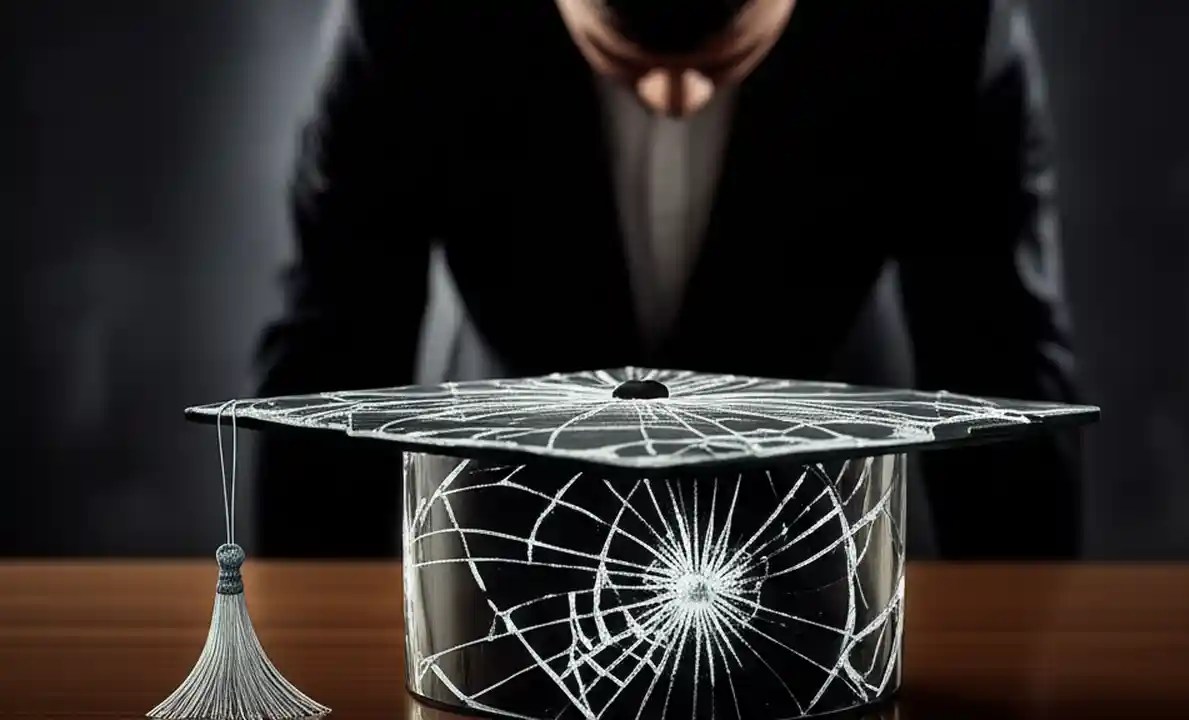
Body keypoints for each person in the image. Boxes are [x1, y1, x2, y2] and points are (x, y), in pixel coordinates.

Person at [253, 0, 1083, 560]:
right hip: (501, 539)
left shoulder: (946, 25)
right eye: (621, 56)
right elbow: (330, 370)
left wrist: (1026, 668)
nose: (675, 98)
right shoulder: (407, 19)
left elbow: (1000, 376)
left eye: (727, 58)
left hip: (821, 542)